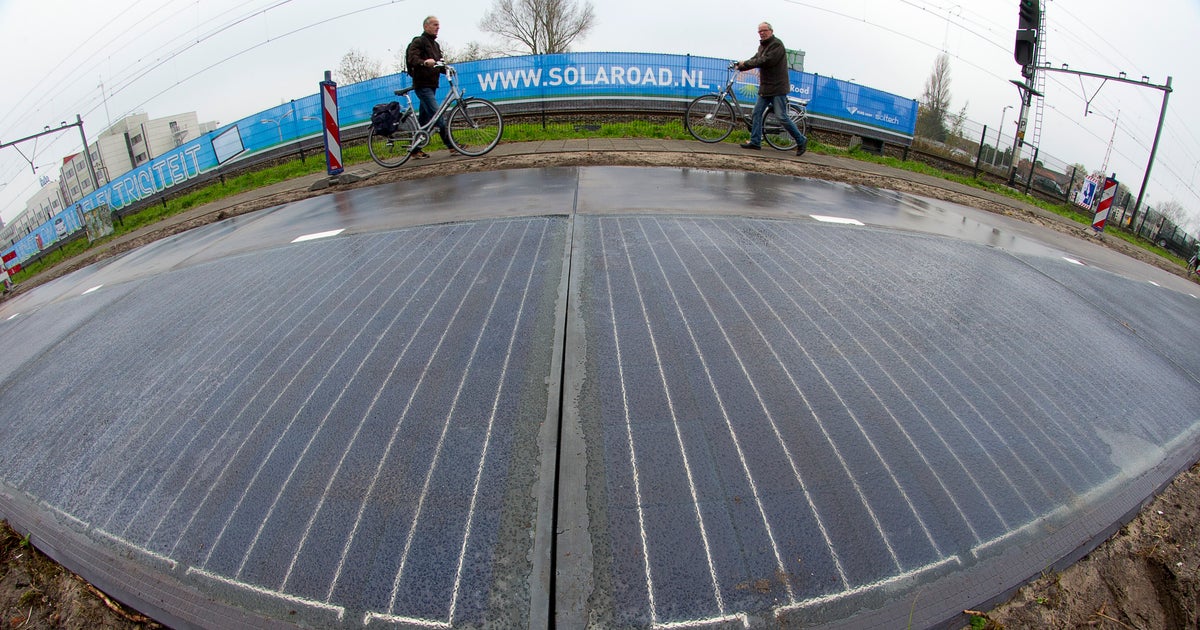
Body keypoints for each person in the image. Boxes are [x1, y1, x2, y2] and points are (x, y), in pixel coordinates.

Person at [736, 21, 807, 156]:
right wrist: (741, 66)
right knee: (756, 113)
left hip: (778, 87)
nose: (762, 33)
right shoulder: (762, 46)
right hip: (766, 87)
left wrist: (745, 64)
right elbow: (756, 58)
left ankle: (801, 140)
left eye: (764, 30)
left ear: (771, 31)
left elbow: (766, 61)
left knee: (781, 116)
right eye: (759, 31)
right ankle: (755, 142)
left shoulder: (776, 45)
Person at [406, 15, 457, 158]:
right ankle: (452, 146)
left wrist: (447, 68)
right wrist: (424, 62)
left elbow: (439, 63)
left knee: (424, 120)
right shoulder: (418, 41)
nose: (438, 27)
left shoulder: (435, 45)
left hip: (432, 85)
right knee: (437, 115)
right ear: (426, 26)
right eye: (435, 24)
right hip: (422, 85)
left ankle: (415, 150)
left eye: (438, 25)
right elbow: (412, 58)